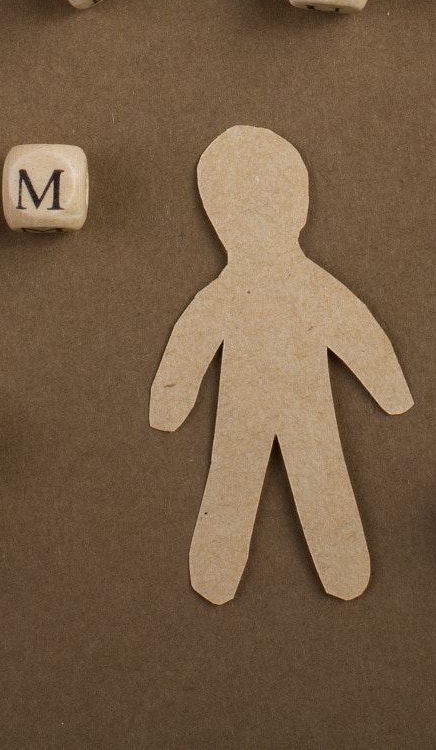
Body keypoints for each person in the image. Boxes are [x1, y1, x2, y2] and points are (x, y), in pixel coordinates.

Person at [150, 126, 414, 603]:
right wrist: (391, 393)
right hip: (272, 410)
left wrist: (169, 407)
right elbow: (362, 335)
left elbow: (188, 346)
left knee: (271, 478)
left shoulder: (229, 295)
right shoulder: (303, 288)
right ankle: (331, 570)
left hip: (273, 410)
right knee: (276, 477)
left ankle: (314, 570)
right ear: (300, 204)